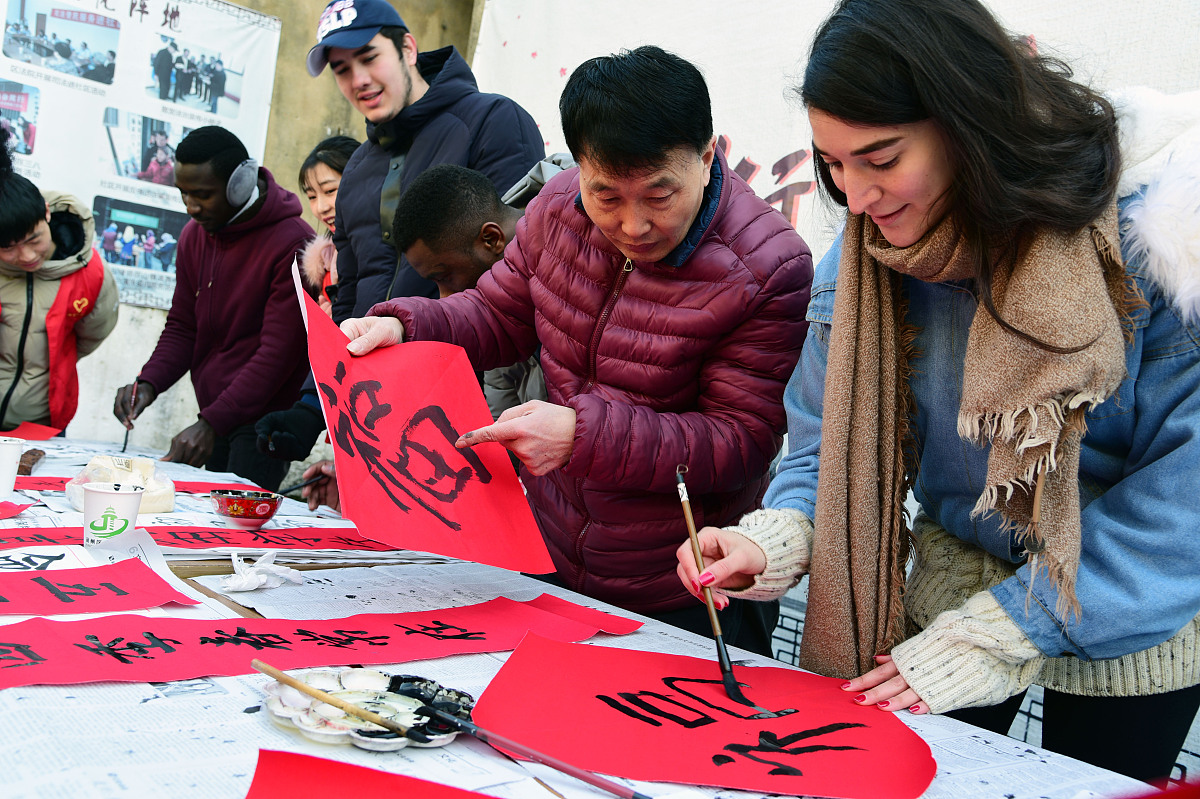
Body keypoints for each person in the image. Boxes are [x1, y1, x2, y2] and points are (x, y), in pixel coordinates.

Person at [675, 0, 1200, 784]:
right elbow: (825, 442)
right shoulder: (864, 261)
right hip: (946, 606)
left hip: (1131, 616)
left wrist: (1009, 629)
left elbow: (1183, 500)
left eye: (882, 159)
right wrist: (772, 537)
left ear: (969, 124)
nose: (855, 197)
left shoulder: (1152, 243)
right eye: (834, 163)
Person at [341, 46, 813, 656]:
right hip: (553, 553)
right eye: (607, 195)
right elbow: (495, 313)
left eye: (659, 195)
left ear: (706, 156)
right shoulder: (558, 210)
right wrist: (408, 325)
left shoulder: (768, 265)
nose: (633, 224)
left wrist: (582, 436)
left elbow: (740, 441)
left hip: (682, 585)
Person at [254, 0, 545, 463]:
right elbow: (347, 298)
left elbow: (512, 271)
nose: (359, 80)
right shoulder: (356, 171)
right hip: (374, 414)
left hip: (470, 407)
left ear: (408, 47)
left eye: (369, 58)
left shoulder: (492, 121)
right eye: (342, 69)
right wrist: (314, 404)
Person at [296, 160, 567, 511]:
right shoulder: (498, 321)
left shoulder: (581, 241)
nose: (442, 297)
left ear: (491, 239)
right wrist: (375, 476)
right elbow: (495, 449)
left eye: (444, 275)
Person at [111, 126, 313, 491]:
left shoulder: (292, 243)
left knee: (240, 532)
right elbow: (183, 327)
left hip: (262, 420)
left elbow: (278, 355)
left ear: (239, 184)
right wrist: (148, 384)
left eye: (202, 195)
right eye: (184, 193)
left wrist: (210, 423)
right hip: (218, 410)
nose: (190, 206)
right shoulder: (193, 236)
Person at [0, 128, 118, 430]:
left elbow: (91, 334)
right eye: (8, 249)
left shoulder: (90, 273)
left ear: (47, 214)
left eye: (33, 239)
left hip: (41, 424)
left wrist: (57, 360)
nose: (26, 256)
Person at [296, 135, 359, 317]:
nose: (321, 208)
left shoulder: (382, 251)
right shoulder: (326, 257)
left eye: (330, 191)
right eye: (312, 197)